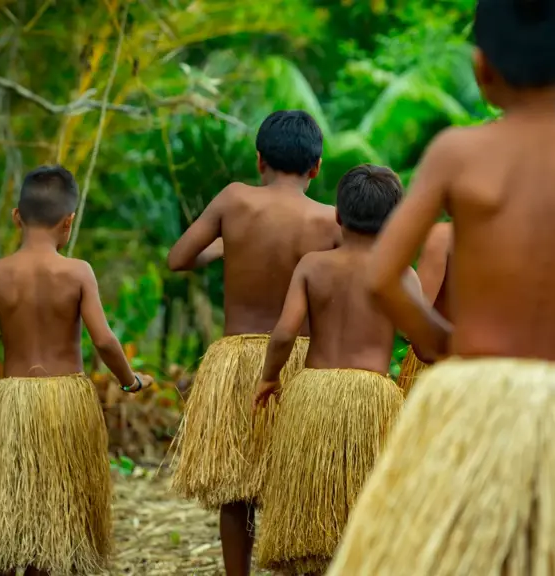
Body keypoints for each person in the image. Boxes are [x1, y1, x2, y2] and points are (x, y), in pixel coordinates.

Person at [327, 0, 555, 574]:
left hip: (471, 389)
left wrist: (441, 344)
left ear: (480, 70)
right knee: (538, 553)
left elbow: (382, 275)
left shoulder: (457, 154)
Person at [0, 165, 153, 576]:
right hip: (66, 403)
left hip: (13, 403)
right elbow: (103, 341)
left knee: (11, 511)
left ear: (17, 217)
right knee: (58, 518)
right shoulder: (77, 272)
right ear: (68, 222)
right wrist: (130, 381)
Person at [168, 110, 342, 576]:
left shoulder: (233, 200)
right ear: (316, 167)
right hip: (300, 363)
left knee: (237, 487)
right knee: (298, 483)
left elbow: (179, 258)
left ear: (260, 159)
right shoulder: (330, 220)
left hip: (236, 361)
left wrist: (225, 245)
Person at [251, 164, 412, 575]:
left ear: (338, 215)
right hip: (372, 398)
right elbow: (421, 337)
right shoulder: (400, 273)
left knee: (309, 510)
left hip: (314, 394)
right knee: (366, 501)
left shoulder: (312, 266)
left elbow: (285, 332)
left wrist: (269, 376)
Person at [396, 222, 452, 396]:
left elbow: (417, 315)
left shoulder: (445, 236)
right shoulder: (521, 238)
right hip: (505, 373)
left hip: (441, 367)